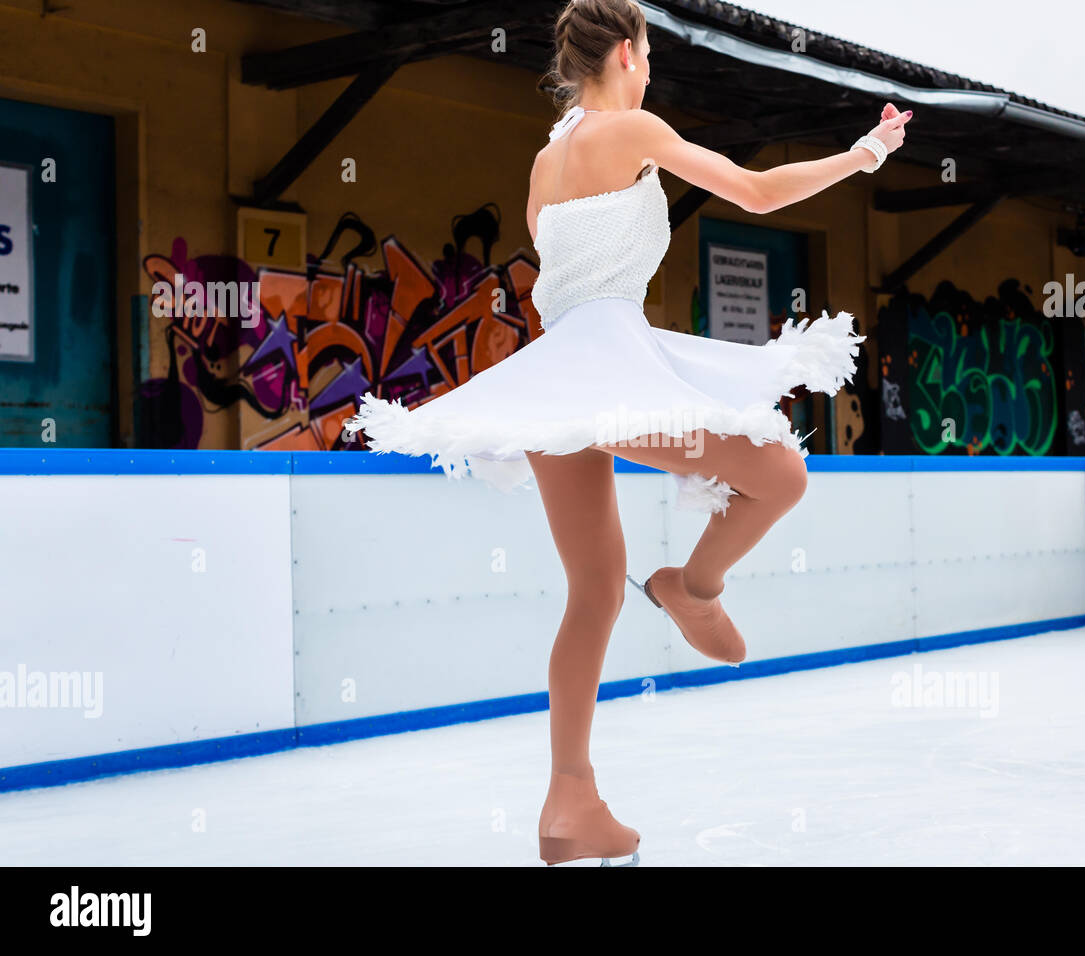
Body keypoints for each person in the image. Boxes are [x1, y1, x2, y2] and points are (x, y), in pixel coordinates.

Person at [344, 0, 911, 867]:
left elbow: (561, 274)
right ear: (623, 53)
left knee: (596, 592)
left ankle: (569, 803)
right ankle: (693, 585)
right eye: (648, 48)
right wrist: (864, 153)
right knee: (783, 476)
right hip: (608, 370)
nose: (652, 64)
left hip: (557, 382)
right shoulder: (633, 128)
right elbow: (755, 193)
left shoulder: (544, 162)